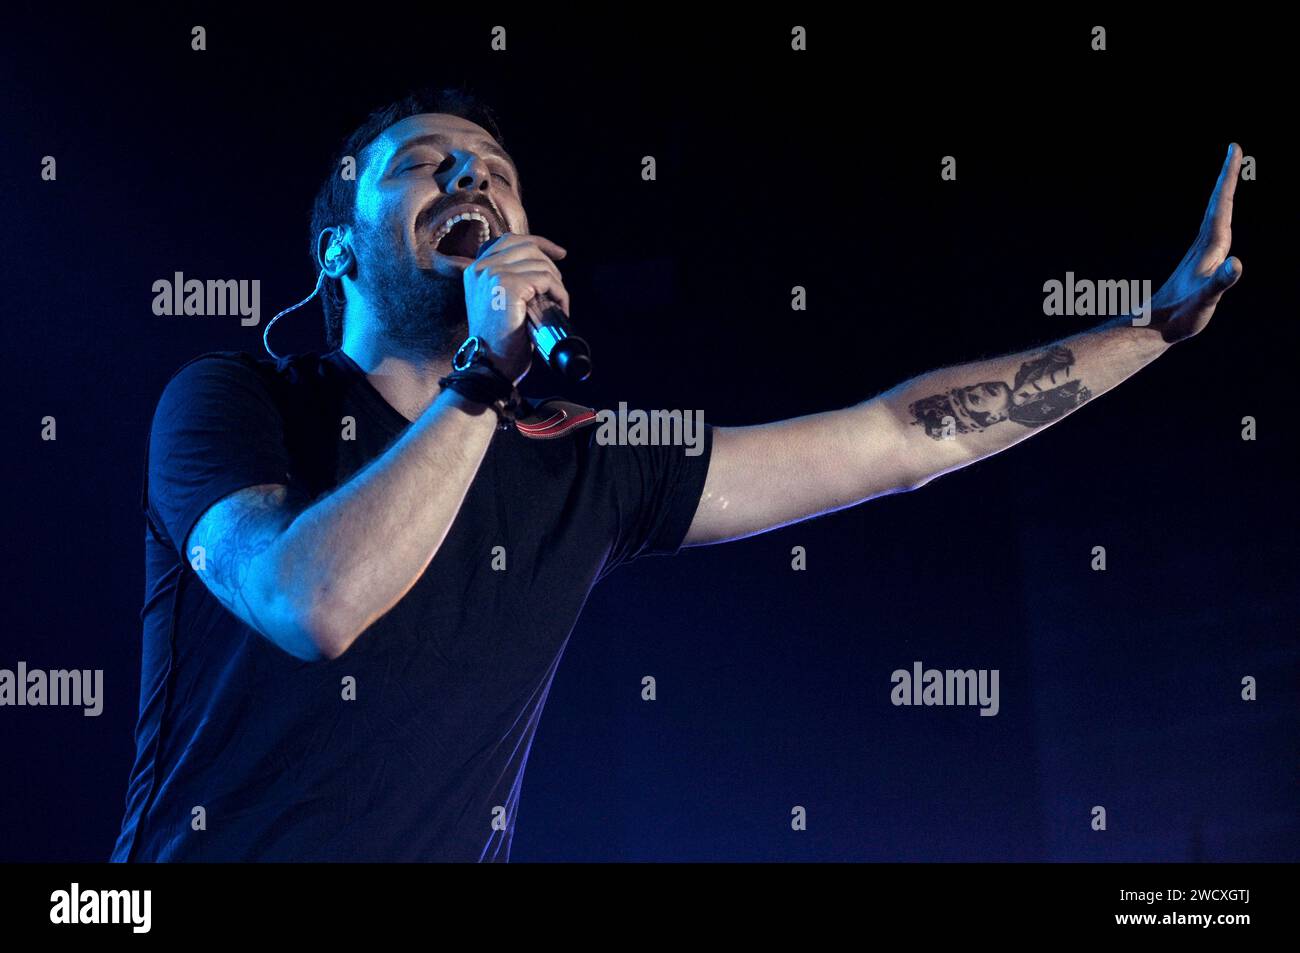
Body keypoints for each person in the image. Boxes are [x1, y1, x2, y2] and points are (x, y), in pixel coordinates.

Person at [111, 88, 1243, 861]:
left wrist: (1148, 330)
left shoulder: (585, 464)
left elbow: (900, 437)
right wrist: (481, 377)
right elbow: (313, 601)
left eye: (497, 174)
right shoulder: (233, 402)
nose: (472, 175)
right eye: (424, 163)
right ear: (339, 247)